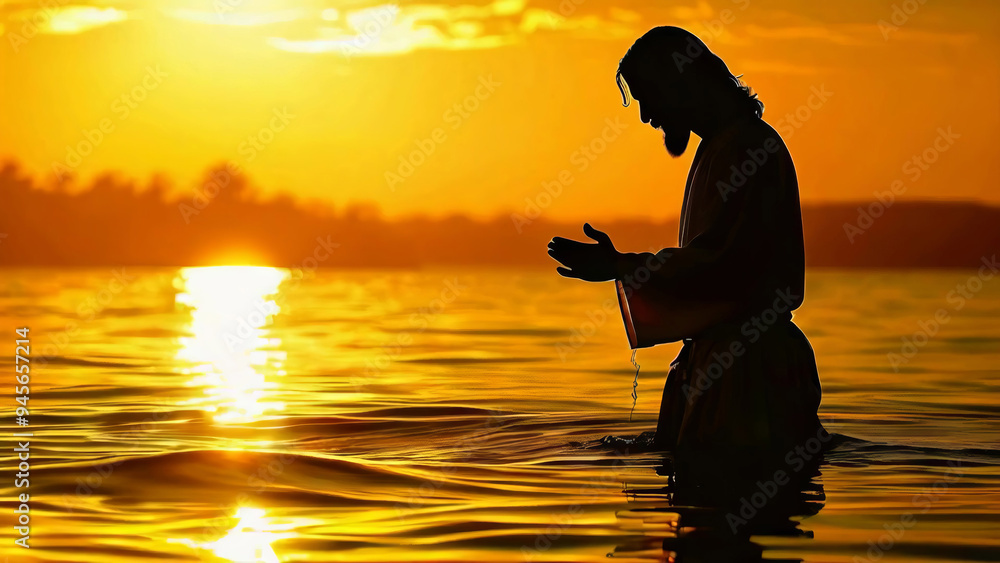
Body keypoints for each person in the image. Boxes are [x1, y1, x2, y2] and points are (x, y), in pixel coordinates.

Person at [547, 26, 823, 456]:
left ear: (681, 82)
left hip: (748, 378)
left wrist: (623, 267)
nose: (644, 116)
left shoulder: (748, 149)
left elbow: (722, 268)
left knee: (730, 493)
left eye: (646, 97)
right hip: (724, 369)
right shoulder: (721, 147)